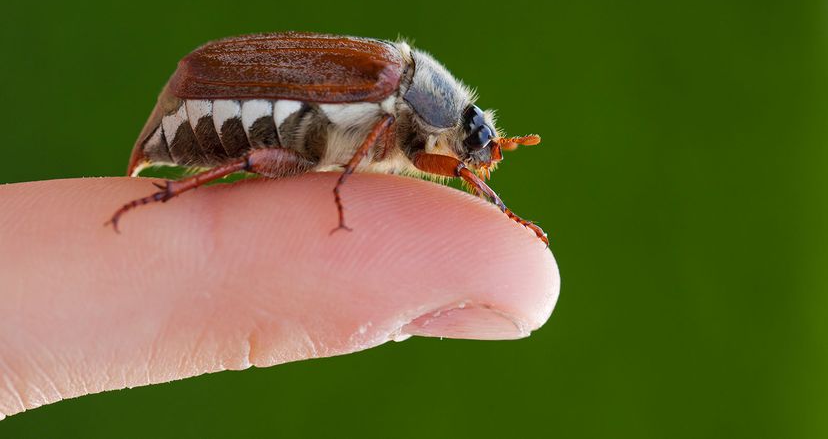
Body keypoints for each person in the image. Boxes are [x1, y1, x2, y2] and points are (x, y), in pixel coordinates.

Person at [0, 173, 559, 419]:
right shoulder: (393, 95)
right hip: (236, 107)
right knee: (250, 164)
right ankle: (165, 196)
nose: (474, 164)